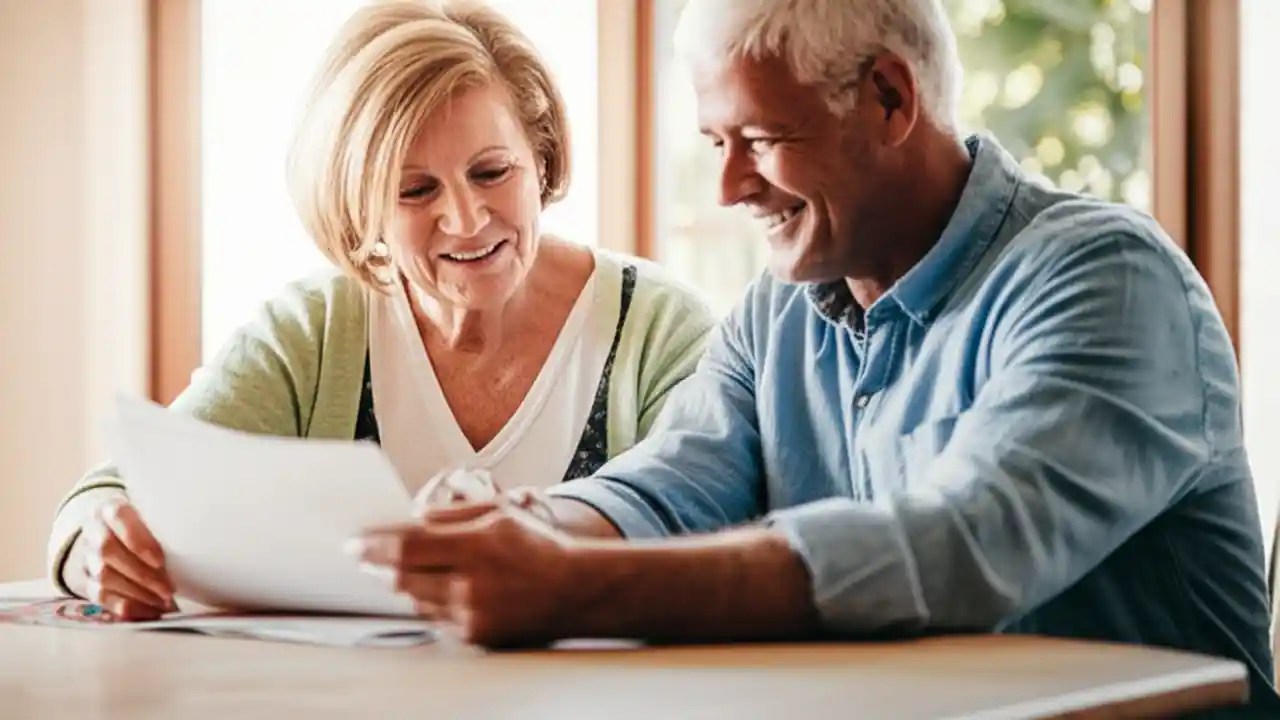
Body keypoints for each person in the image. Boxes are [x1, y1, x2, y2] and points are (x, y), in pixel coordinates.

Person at [351, 0, 1280, 712]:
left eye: (760, 139)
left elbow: (960, 548)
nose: (726, 186)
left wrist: (570, 588)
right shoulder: (779, 308)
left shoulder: (1104, 279)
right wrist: (523, 524)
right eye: (717, 142)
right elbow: (666, 489)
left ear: (888, 98)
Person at [45, 0, 713, 622]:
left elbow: (712, 530)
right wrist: (94, 546)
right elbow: (117, 490)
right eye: (416, 190)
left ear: (540, 161)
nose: (466, 218)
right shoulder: (314, 331)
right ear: (360, 209)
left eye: (491, 173)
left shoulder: (659, 333)